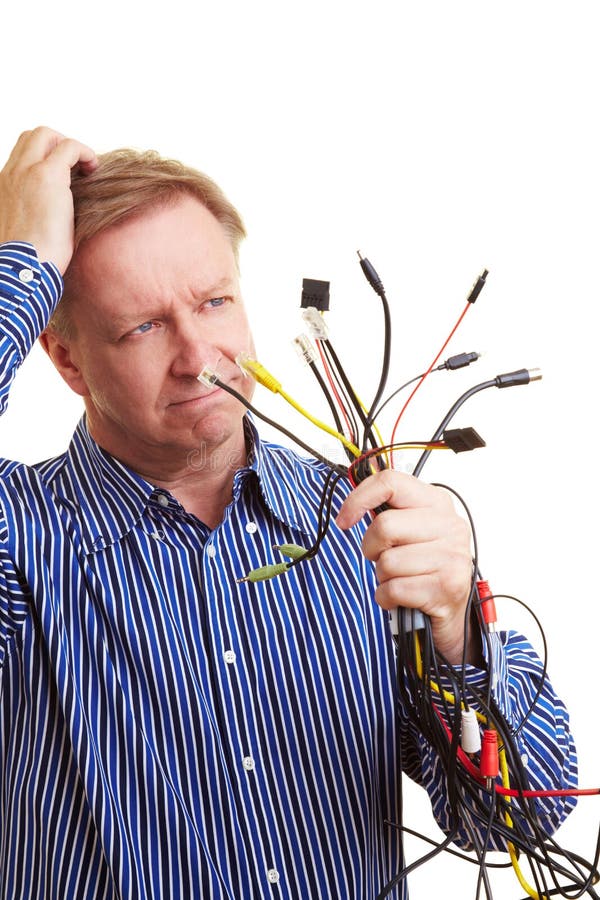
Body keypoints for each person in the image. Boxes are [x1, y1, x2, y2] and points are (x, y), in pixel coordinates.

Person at [0, 127, 577, 900]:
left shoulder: (365, 522)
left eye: (214, 302)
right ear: (67, 359)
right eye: (143, 326)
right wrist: (22, 267)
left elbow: (520, 822)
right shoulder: (21, 535)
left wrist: (457, 639)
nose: (198, 355)